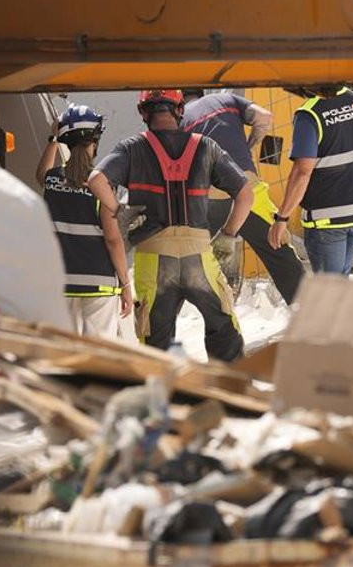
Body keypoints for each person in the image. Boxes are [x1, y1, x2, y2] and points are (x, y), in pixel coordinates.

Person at [89, 89, 255, 362]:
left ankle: (161, 399)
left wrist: (120, 210)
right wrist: (228, 235)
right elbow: (245, 195)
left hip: (154, 260)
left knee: (155, 345)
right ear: (180, 110)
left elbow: (97, 180)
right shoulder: (206, 146)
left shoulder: (131, 147)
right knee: (223, 329)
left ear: (144, 113)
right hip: (198, 257)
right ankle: (228, 392)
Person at [181, 88, 305, 304]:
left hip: (207, 193)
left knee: (183, 260)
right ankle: (308, 314)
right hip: (247, 185)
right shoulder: (226, 99)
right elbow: (265, 117)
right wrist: (248, 148)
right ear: (202, 91)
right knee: (278, 246)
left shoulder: (179, 119)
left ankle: (157, 327)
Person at [38, 103, 132, 338]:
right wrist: (125, 284)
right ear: (95, 141)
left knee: (63, 354)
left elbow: (41, 172)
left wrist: (53, 138)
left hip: (62, 283)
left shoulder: (52, 181)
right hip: (98, 283)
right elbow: (112, 240)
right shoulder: (103, 185)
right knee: (98, 358)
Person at [268, 85, 353, 276]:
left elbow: (302, 172)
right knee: (338, 287)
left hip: (327, 222)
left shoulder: (310, 114)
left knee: (328, 291)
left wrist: (282, 218)